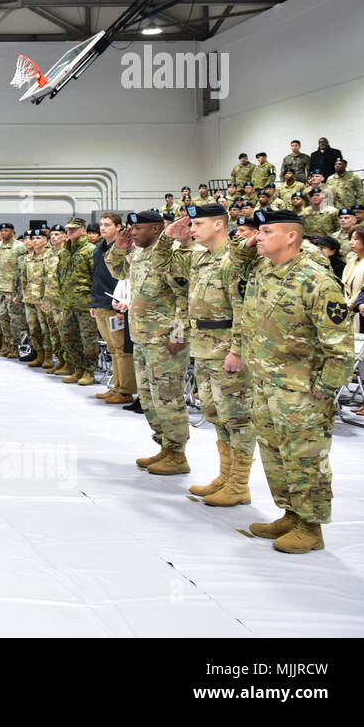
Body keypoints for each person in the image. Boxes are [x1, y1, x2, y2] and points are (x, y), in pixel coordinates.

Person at [240, 209, 352, 554]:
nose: (258, 237)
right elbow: (236, 255)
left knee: (305, 458)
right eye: (258, 231)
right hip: (266, 384)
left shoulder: (316, 281)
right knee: (275, 455)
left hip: (302, 391)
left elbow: (340, 348)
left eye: (267, 231)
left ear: (292, 236)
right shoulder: (264, 270)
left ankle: (311, 526)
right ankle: (291, 513)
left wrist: (324, 390)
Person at [160, 205, 257, 505]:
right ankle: (225, 477)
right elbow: (164, 270)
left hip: (227, 349)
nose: (192, 228)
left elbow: (243, 308)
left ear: (219, 225)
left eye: (198, 223)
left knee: (237, 418)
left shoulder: (234, 258)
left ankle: (239, 485)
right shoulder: (200, 257)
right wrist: (168, 239)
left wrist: (238, 350)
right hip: (204, 347)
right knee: (216, 415)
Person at [106, 210, 192, 476]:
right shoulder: (139, 253)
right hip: (142, 335)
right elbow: (118, 271)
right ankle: (164, 446)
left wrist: (179, 333)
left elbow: (185, 295)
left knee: (167, 396)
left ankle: (178, 454)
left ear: (156, 230)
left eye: (138, 229)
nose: (132, 233)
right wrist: (118, 249)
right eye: (131, 228)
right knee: (149, 396)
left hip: (165, 339)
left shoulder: (171, 255)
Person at [91, 213, 136, 406]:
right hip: (100, 302)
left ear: (119, 227)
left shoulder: (123, 249)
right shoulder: (99, 247)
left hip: (115, 304)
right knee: (112, 348)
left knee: (121, 350)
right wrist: (94, 302)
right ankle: (116, 386)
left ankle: (125, 390)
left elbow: (124, 279)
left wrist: (121, 305)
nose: (103, 228)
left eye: (107, 225)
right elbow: (96, 277)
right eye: (101, 224)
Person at [56, 217, 98, 385]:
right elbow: (59, 276)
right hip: (67, 303)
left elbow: (96, 278)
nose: (70, 232)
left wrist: (94, 302)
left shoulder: (91, 250)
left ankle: (89, 371)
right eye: (69, 229)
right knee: (68, 337)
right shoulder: (64, 252)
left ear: (83, 231)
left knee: (88, 340)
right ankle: (77, 368)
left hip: (85, 303)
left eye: (74, 229)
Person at [343, 225, 364, 415]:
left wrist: (353, 304)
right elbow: (349, 287)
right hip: (354, 311)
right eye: (351, 238)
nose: (351, 241)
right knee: (360, 359)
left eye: (356, 238)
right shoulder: (353, 260)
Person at [0, 223, 26, 359]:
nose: (3, 233)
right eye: (2, 231)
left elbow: (22, 270)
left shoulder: (19, 247)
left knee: (15, 319)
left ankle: (15, 346)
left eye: (6, 230)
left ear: (13, 232)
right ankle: (6, 344)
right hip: (0, 287)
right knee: (3, 317)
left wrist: (19, 291)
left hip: (13, 288)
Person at [42, 225, 67, 373]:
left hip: (62, 300)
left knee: (64, 333)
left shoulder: (67, 253)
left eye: (57, 234)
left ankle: (69, 362)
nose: (54, 237)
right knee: (54, 333)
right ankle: (60, 360)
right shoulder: (48, 253)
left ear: (65, 236)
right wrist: (45, 299)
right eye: (52, 235)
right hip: (50, 299)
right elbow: (46, 278)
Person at [21, 230, 47, 367]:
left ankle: (48, 357)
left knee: (45, 330)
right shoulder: (28, 258)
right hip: (29, 298)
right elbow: (24, 278)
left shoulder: (49, 256)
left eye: (39, 238)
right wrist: (25, 293)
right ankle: (39, 354)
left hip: (42, 299)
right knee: (33, 329)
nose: (35, 240)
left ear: (45, 240)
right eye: (33, 238)